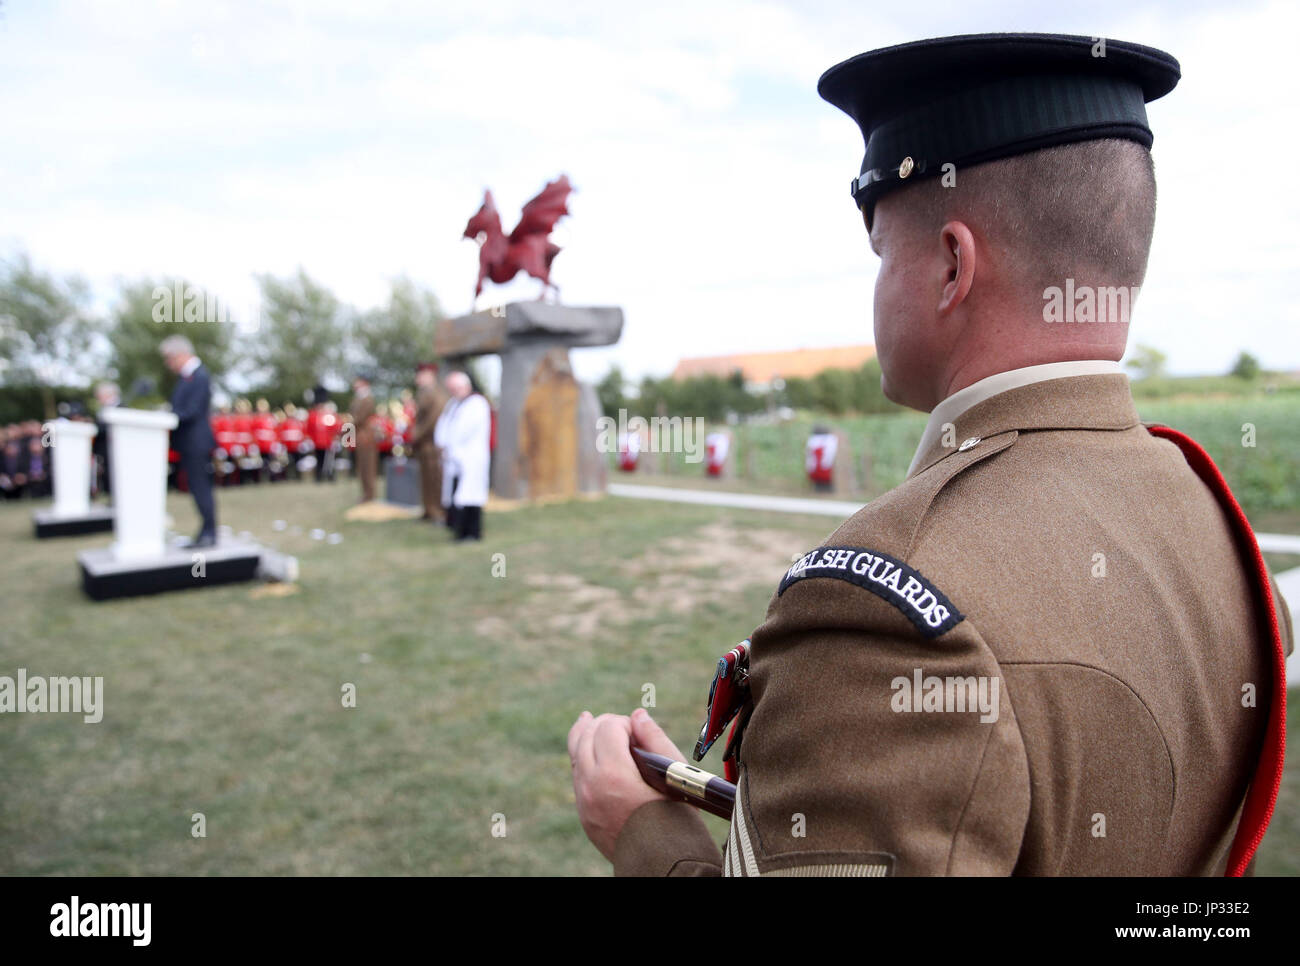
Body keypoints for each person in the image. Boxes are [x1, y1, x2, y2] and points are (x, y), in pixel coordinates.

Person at [569, 33, 1293, 876]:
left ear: (953, 265)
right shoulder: (1207, 507)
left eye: (882, 255)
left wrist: (642, 834)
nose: (875, 288)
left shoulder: (883, 608)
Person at [160, 334, 217, 547]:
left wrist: (169, 416)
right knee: (196, 486)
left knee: (201, 486)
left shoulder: (198, 376)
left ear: (181, 354)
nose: (169, 364)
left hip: (196, 441)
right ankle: (206, 530)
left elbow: (192, 410)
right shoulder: (187, 377)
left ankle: (209, 532)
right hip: (189, 441)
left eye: (170, 358)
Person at [435, 370, 490, 541]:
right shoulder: (453, 404)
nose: (454, 392)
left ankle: (471, 533)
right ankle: (457, 528)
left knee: (470, 496)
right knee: (456, 495)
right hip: (455, 458)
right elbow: (443, 425)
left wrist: (450, 445)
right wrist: (442, 444)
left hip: (471, 458)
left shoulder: (477, 403)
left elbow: (463, 430)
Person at [411, 363, 449, 522]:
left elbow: (433, 419)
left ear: (430, 375)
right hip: (424, 442)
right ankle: (428, 509)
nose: (417, 378)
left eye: (421, 374)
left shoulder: (436, 393)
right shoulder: (424, 393)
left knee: (435, 478)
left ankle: (438, 511)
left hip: (432, 442)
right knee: (426, 478)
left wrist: (417, 434)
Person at [349, 375, 379, 502]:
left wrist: (347, 425)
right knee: (362, 467)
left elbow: (359, 418)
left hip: (366, 436)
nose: (355, 384)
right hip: (359, 436)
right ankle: (366, 493)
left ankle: (370, 494)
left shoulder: (367, 399)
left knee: (368, 467)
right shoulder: (359, 399)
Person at [92, 381, 120, 499]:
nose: (98, 399)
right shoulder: (103, 410)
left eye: (100, 396)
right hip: (104, 450)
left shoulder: (122, 408)